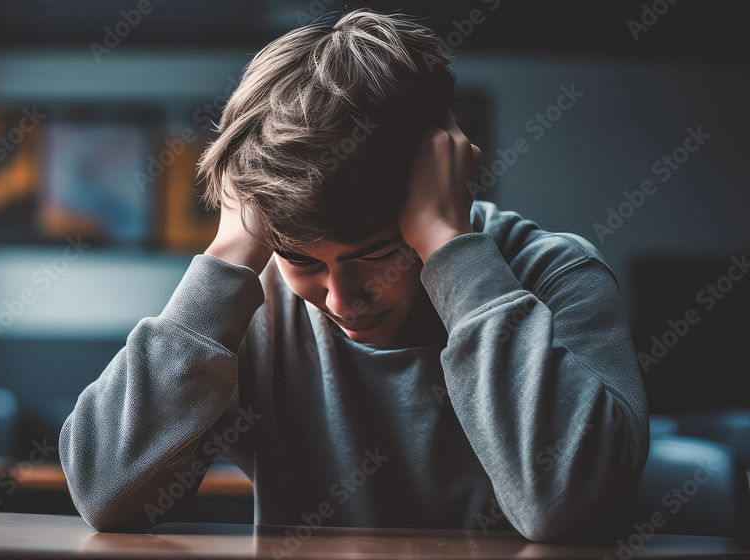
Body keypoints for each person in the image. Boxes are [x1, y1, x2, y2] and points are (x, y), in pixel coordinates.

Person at [58, 9, 650, 544]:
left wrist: (450, 248)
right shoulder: (251, 306)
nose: (341, 300)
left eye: (375, 255)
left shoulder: (557, 273)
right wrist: (231, 250)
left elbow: (568, 508)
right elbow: (105, 493)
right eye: (305, 262)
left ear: (440, 185)